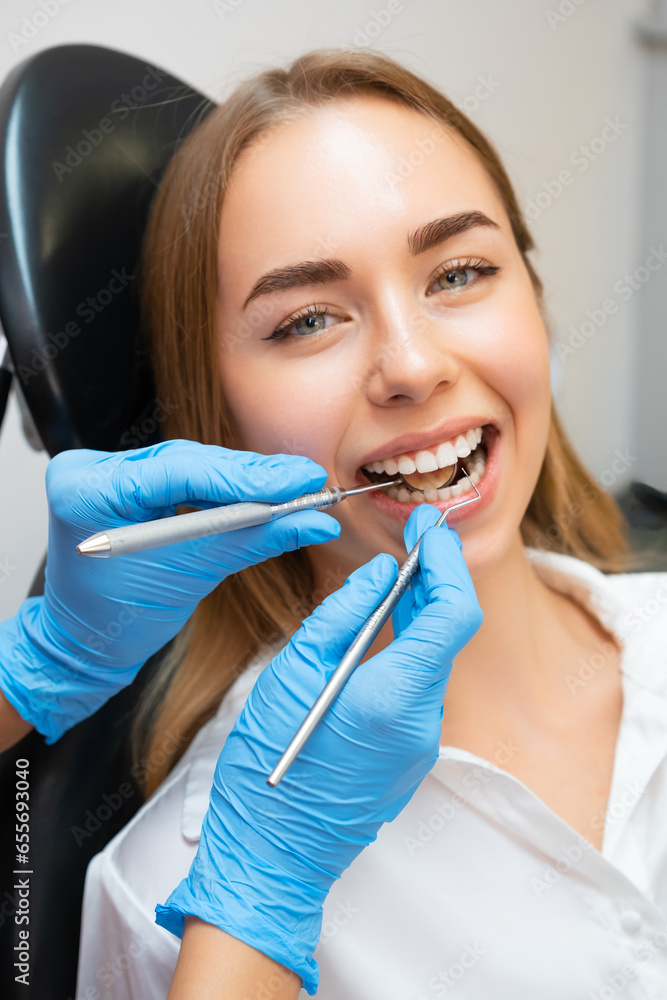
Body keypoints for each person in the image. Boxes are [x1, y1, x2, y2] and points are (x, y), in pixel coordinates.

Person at [2, 46, 666, 998]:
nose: (411, 364)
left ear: (537, 305)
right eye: (306, 320)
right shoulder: (178, 901)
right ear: (215, 420)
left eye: (460, 271)